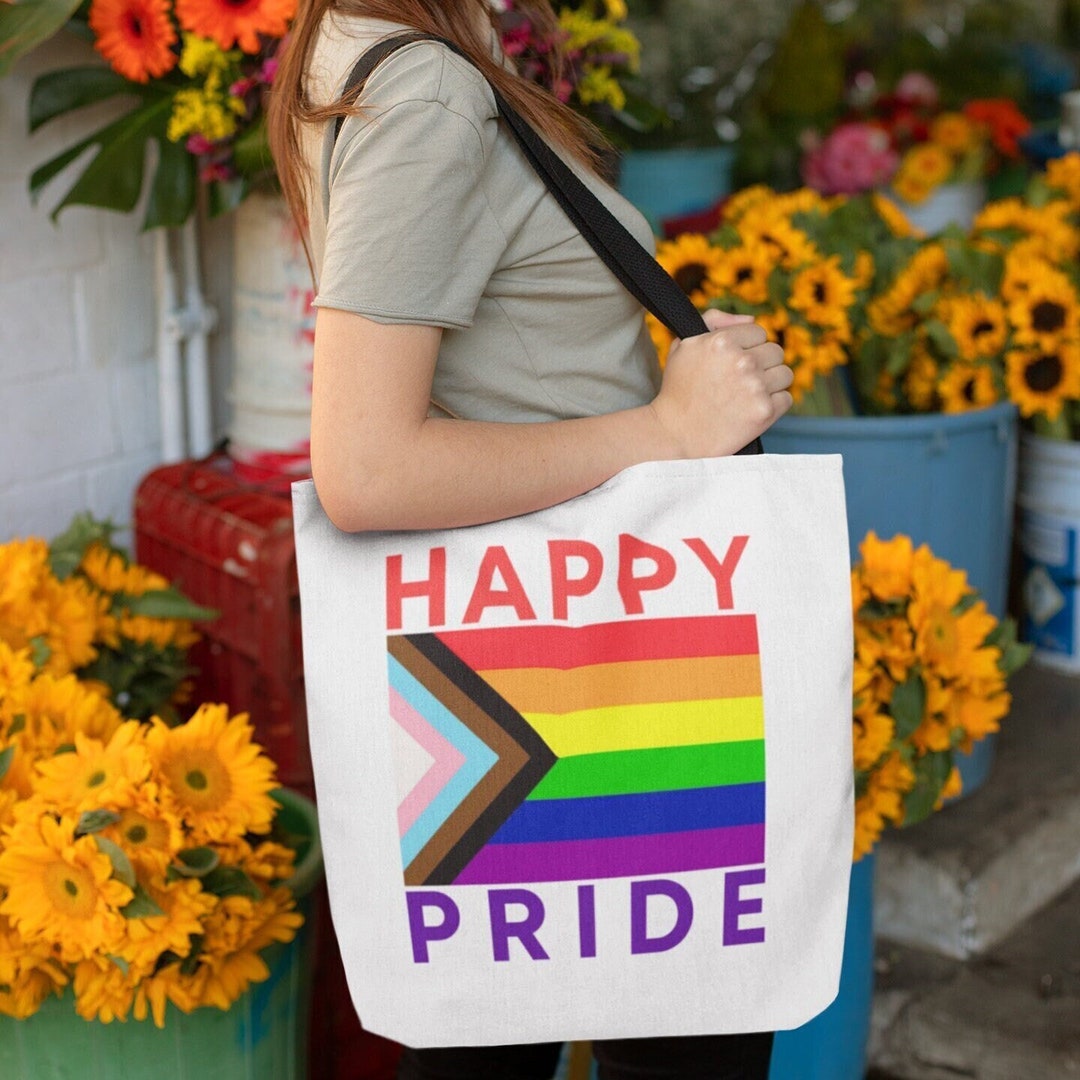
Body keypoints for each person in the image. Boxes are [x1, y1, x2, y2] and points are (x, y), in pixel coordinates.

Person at [269, 2, 793, 1077]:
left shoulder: (387, 51)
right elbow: (365, 470)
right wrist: (667, 430)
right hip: (583, 665)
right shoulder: (427, 88)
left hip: (515, 675)